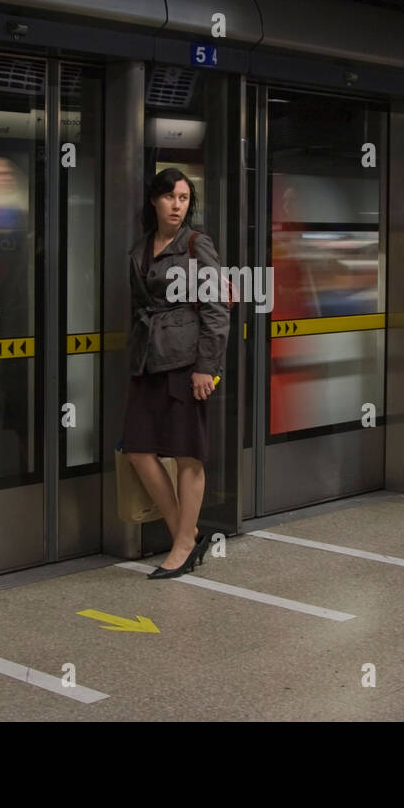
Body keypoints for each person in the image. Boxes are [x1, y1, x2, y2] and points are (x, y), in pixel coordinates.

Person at [123, 168, 230, 578]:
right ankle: (185, 532)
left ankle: (183, 543)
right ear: (154, 200)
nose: (177, 205)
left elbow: (218, 310)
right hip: (148, 360)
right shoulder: (142, 248)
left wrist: (207, 367)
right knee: (138, 447)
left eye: (184, 199)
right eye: (170, 197)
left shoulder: (196, 245)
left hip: (186, 362)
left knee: (188, 453)